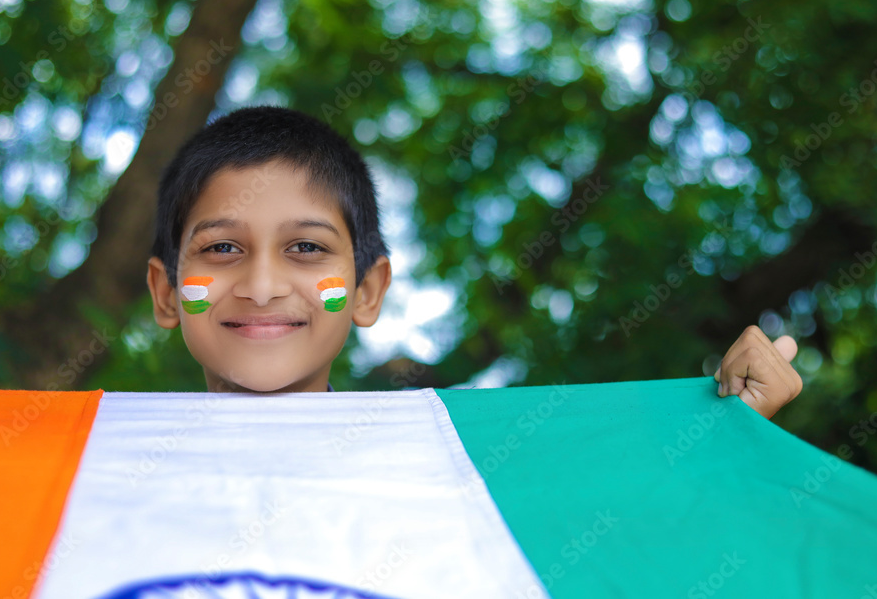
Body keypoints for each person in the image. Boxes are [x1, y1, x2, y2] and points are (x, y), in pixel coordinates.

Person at [145, 106, 802, 418]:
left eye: (307, 248)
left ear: (369, 290)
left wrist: (726, 433)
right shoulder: (84, 475)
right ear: (167, 291)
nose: (261, 286)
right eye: (222, 249)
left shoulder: (447, 477)